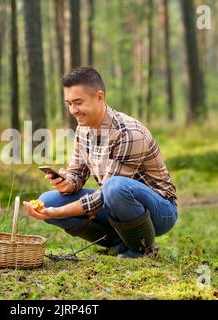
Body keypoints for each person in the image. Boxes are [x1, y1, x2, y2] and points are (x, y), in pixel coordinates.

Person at [23, 66, 178, 258]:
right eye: (69, 103)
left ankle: (142, 249)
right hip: (114, 201)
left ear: (99, 97)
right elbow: (77, 173)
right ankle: (121, 244)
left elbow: (105, 194)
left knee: (114, 187)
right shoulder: (83, 128)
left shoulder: (128, 133)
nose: (73, 110)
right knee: (48, 200)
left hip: (160, 210)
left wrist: (58, 212)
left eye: (78, 102)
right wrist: (66, 182)